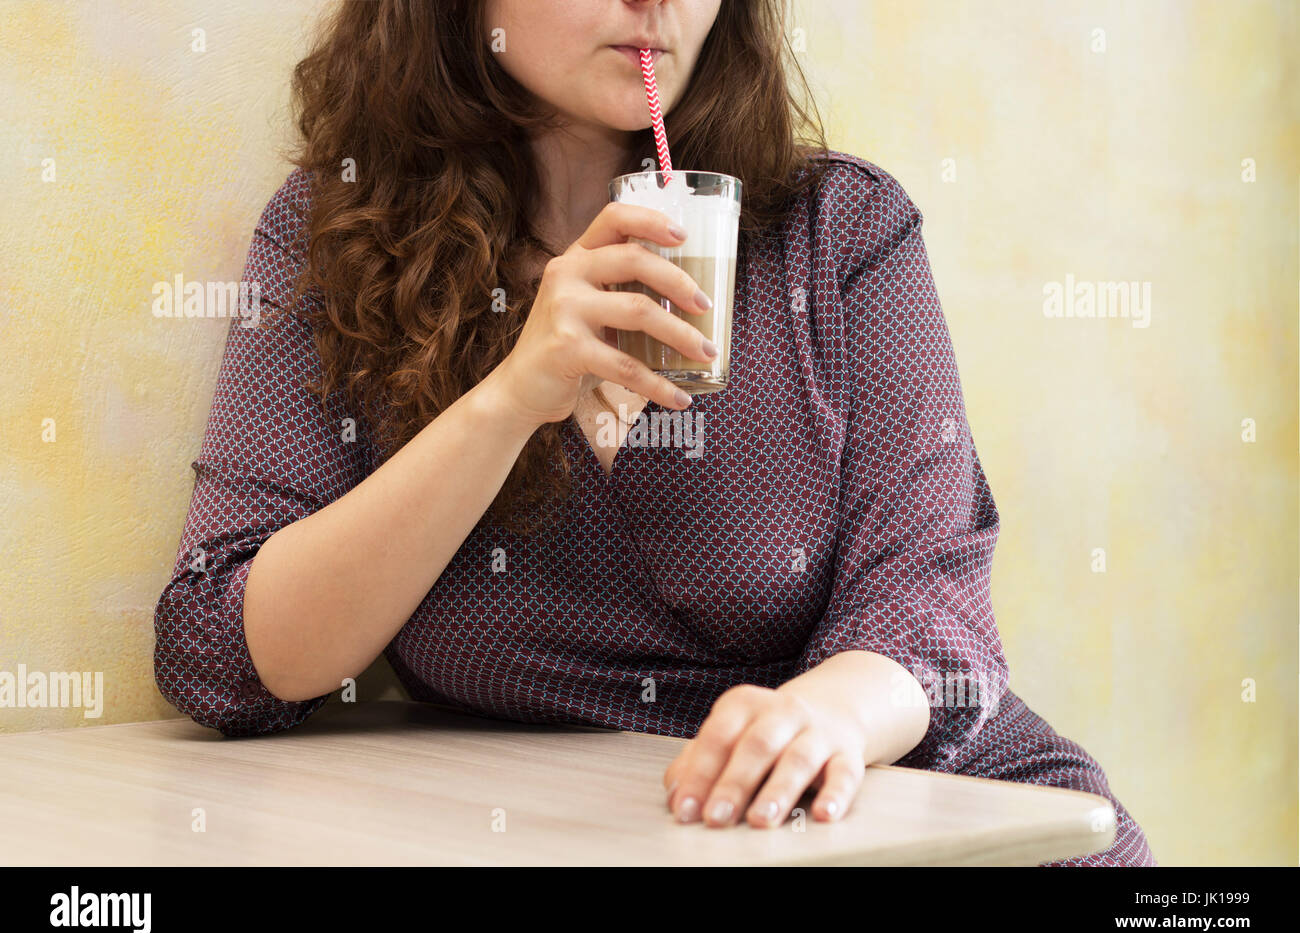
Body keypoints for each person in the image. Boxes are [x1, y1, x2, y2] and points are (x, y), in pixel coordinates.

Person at [153, 0, 1154, 865]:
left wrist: (821, 716)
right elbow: (222, 656)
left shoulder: (841, 232)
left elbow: (936, 615)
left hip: (915, 823)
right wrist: (508, 400)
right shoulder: (344, 238)